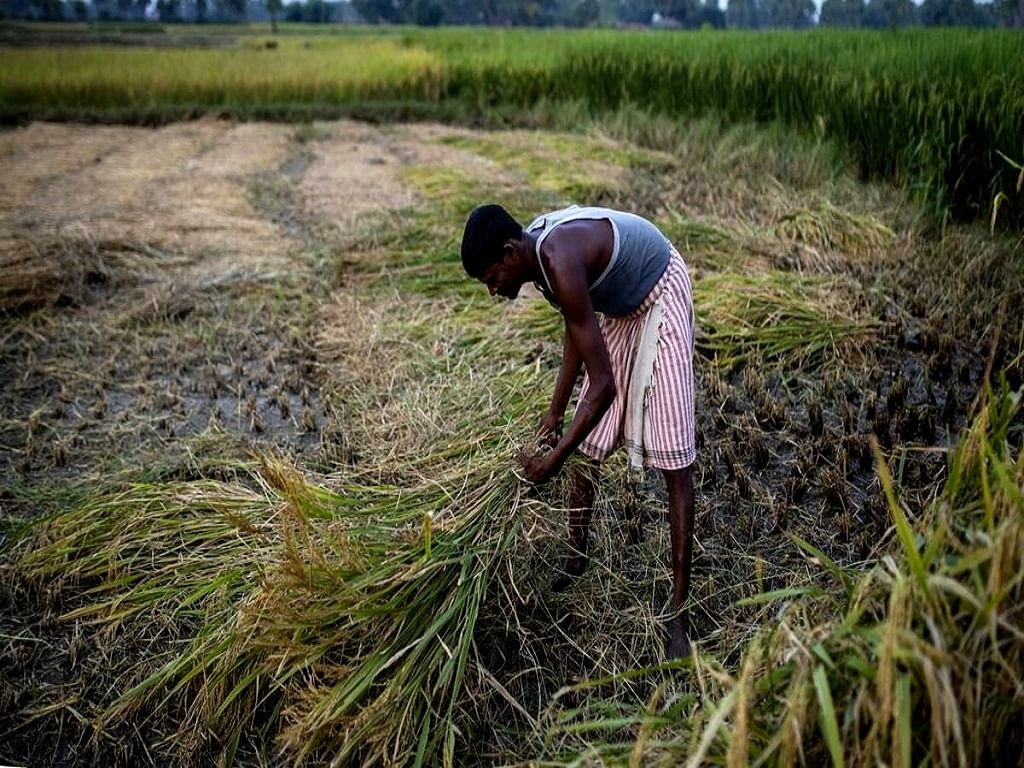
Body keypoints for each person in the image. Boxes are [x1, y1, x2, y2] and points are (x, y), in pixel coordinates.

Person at [460, 203, 698, 659]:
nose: (494, 291)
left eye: (492, 279)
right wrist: (554, 415)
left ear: (511, 253)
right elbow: (577, 328)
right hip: (620, 307)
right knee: (588, 444)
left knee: (673, 455)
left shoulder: (558, 258)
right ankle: (576, 557)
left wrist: (553, 458)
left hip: (660, 289)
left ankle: (679, 617)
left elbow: (603, 385)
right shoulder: (539, 259)